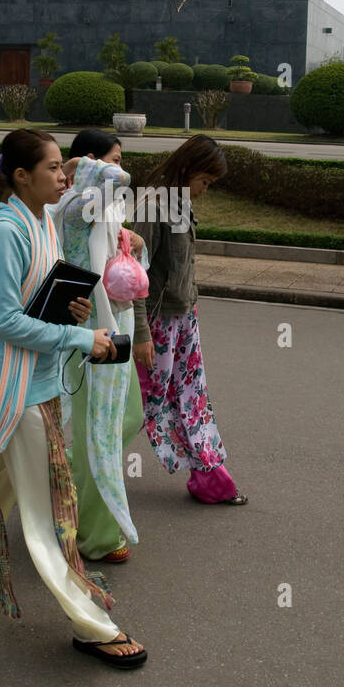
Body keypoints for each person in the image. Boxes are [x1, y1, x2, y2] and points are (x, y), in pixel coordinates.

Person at [0, 128, 147, 668]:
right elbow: (3, 320)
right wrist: (80, 337)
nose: (64, 177)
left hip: (40, 382)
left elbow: (34, 300)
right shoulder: (4, 232)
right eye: (53, 168)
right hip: (19, 389)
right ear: (20, 176)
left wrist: (69, 310)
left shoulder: (41, 219)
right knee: (50, 517)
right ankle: (92, 625)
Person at [48, 128, 150, 564]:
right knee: (100, 428)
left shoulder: (94, 206)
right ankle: (96, 535)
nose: (122, 167)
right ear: (93, 161)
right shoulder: (72, 202)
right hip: (88, 329)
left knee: (126, 418)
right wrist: (80, 166)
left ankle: (63, 474)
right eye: (115, 157)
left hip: (115, 323)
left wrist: (128, 238)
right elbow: (120, 180)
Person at [131, 134, 247, 505]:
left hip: (184, 318)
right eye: (205, 182)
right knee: (143, 406)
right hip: (156, 325)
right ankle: (78, 466)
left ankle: (211, 478)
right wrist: (140, 334)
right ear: (188, 169)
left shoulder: (179, 203)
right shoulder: (152, 205)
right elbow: (134, 274)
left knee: (192, 397)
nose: (206, 191)